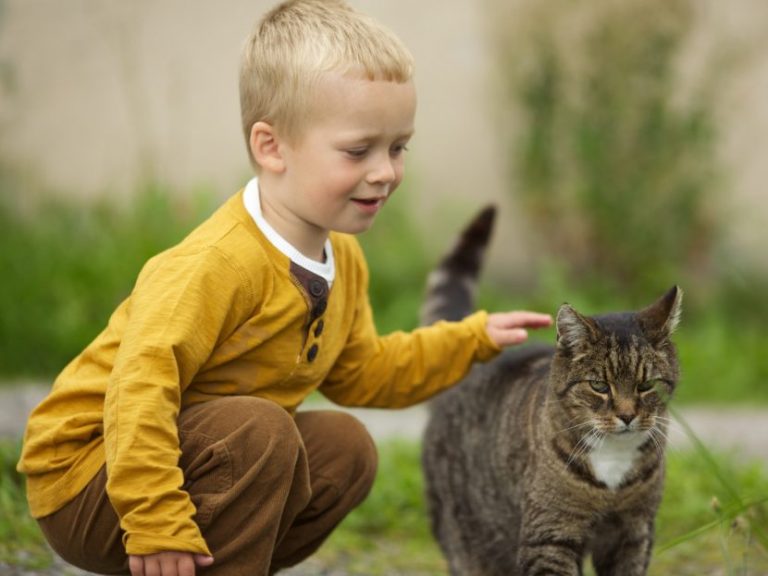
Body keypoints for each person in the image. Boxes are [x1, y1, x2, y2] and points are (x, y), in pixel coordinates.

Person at [17, 1, 553, 575]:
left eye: (398, 147)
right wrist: (154, 518)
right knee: (260, 431)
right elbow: (139, 387)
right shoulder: (216, 263)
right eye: (358, 150)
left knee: (345, 449)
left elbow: (364, 371)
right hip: (89, 478)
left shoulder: (340, 255)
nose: (386, 172)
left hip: (184, 457)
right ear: (271, 147)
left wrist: (470, 341)